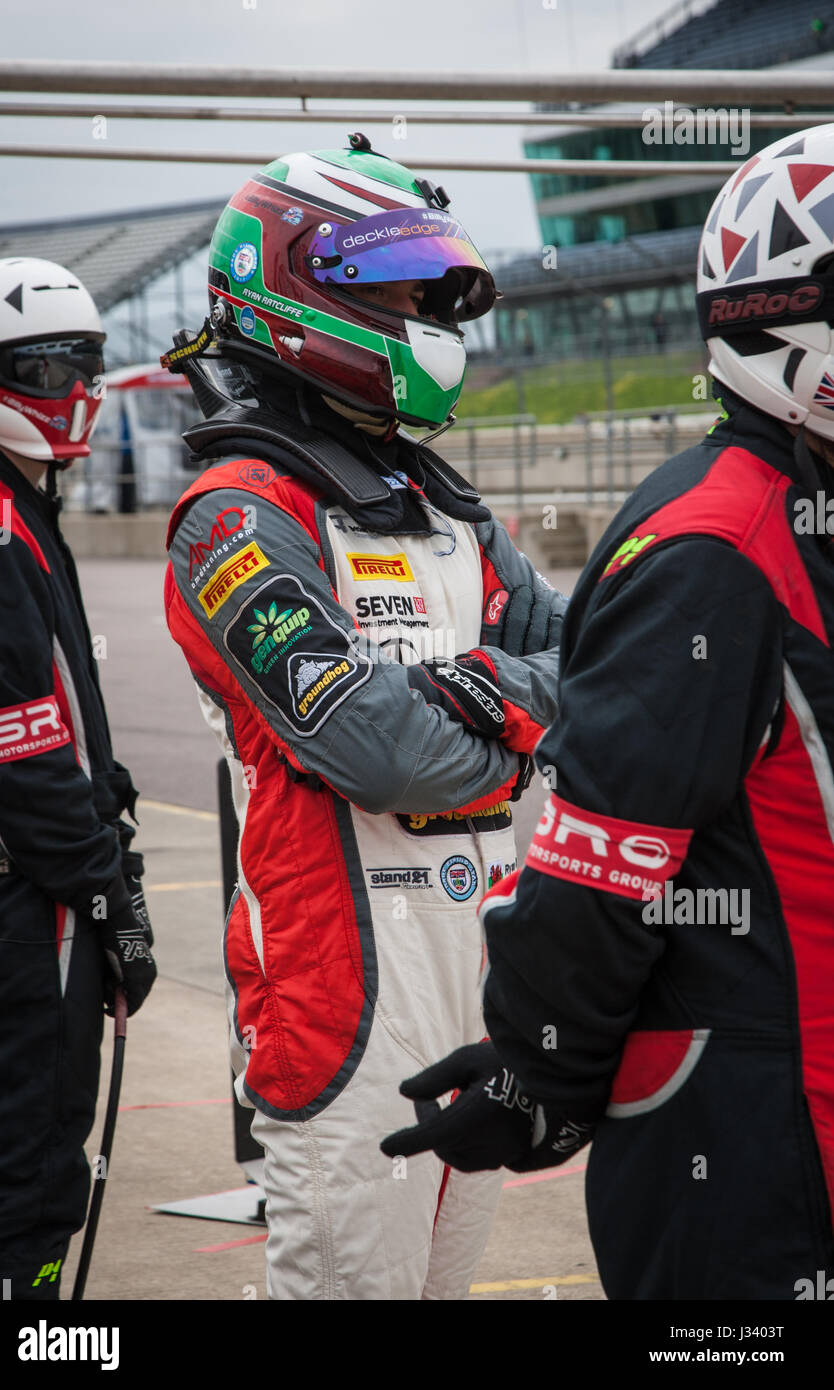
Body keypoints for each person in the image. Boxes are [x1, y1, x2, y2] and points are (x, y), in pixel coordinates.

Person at [383, 124, 834, 1300]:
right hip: (754, 1134)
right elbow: (599, 864)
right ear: (789, 318)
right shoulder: (714, 545)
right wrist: (542, 1067)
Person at [163, 134, 566, 1300]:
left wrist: (491, 695)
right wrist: (510, 713)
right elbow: (384, 751)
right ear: (292, 290)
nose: (419, 312)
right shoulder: (233, 515)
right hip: (341, 998)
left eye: (425, 291)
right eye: (387, 288)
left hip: (482, 974)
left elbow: (592, 668)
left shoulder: (449, 507)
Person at [0, 257, 156, 1300]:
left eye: (86, 364)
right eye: (42, 368)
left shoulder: (12, 501)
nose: (72, 390)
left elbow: (73, 737)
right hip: (15, 897)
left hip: (8, 887)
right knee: (29, 1162)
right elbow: (32, 767)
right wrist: (110, 897)